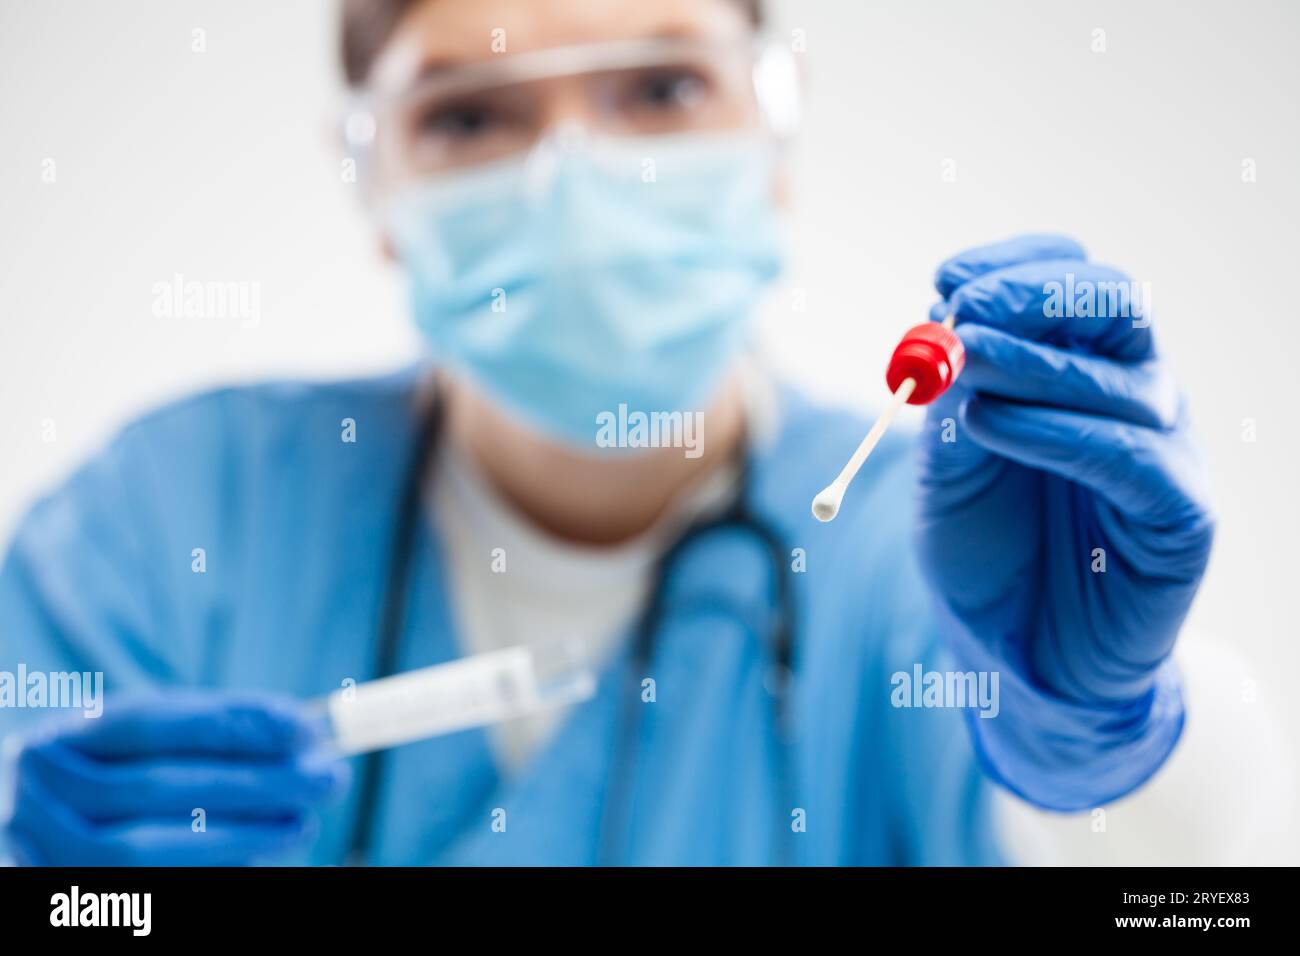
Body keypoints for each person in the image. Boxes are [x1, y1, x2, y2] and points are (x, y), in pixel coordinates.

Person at [0, 0, 1213, 866]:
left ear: (773, 133)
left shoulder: (932, 550)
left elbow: (1186, 893)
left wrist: (1093, 735)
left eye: (663, 88)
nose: (579, 179)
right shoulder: (179, 517)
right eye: (472, 115)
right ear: (378, 185)